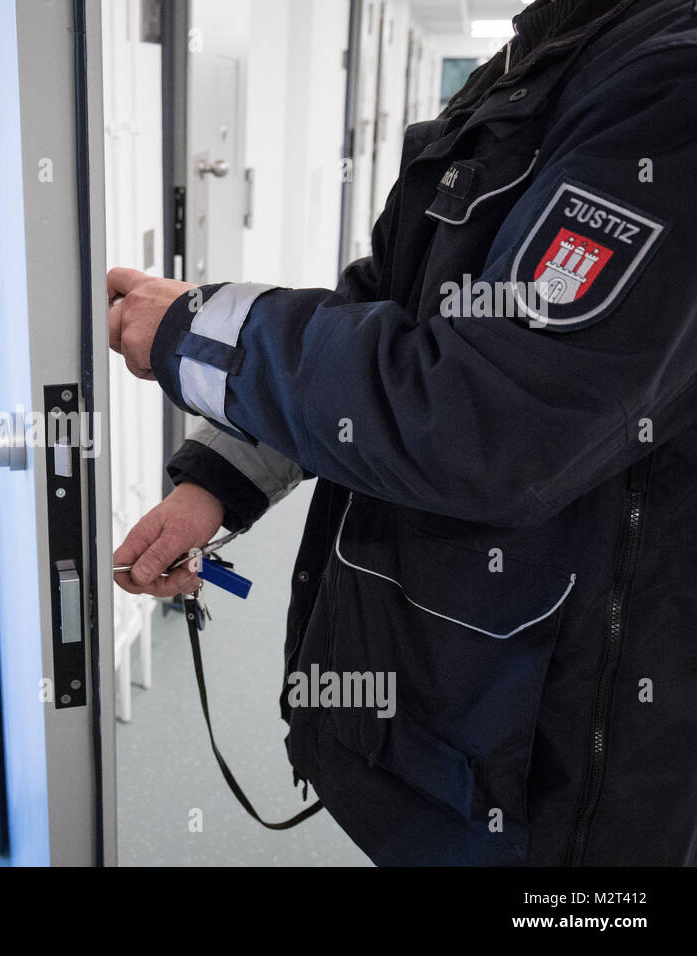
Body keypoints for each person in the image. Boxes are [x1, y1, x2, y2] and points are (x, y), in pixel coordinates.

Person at [107, 0, 697, 865]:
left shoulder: (669, 85)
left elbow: (491, 416)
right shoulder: (541, 61)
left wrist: (195, 334)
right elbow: (387, 308)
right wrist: (219, 482)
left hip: (559, 790)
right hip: (430, 737)